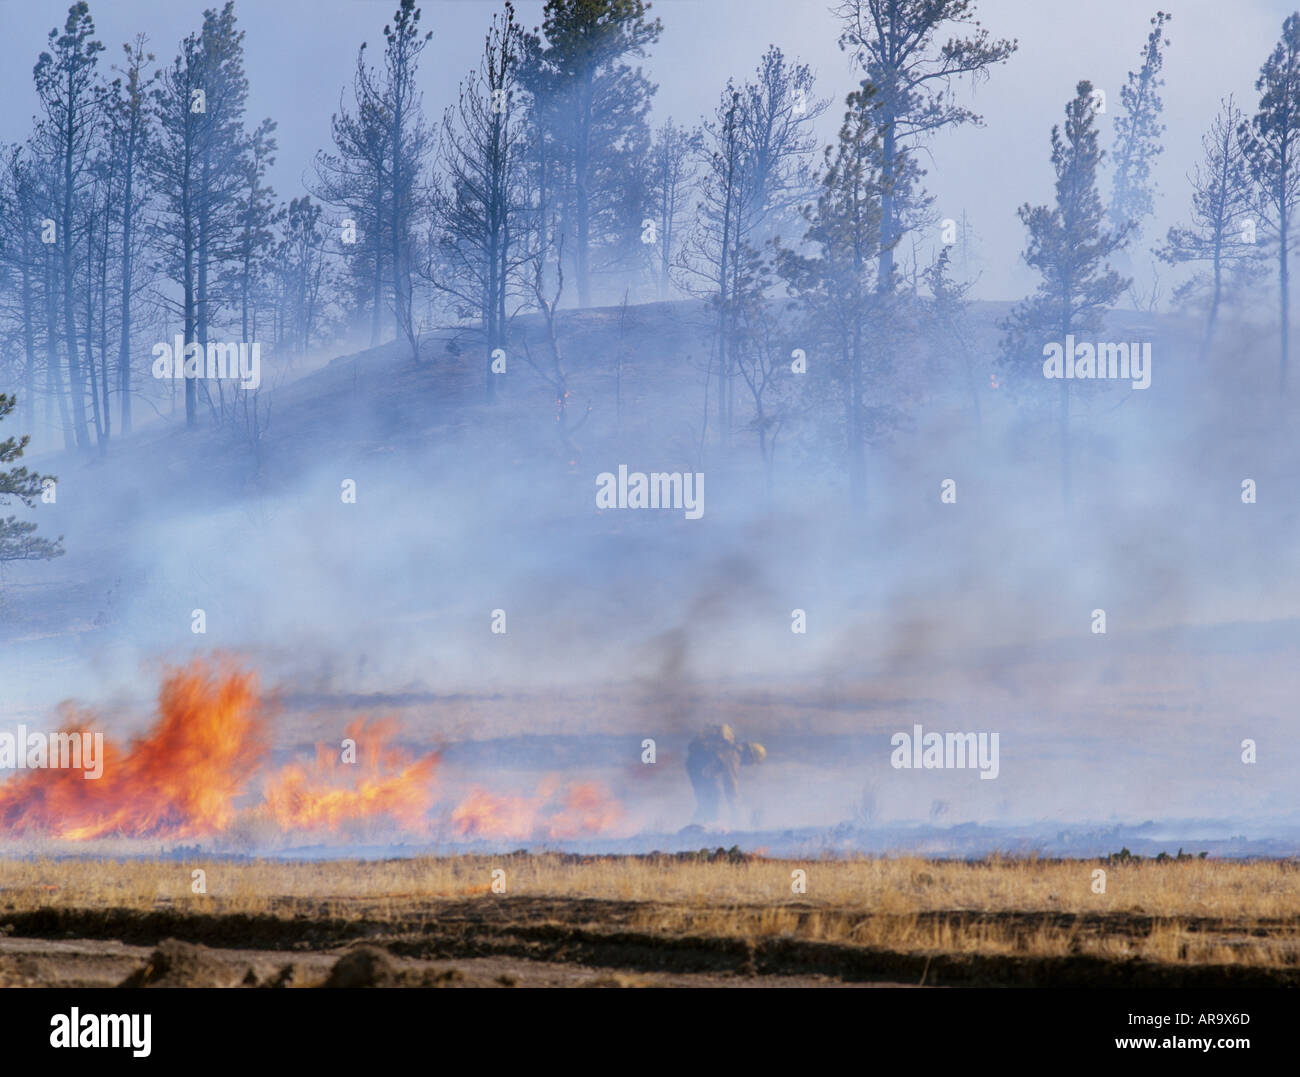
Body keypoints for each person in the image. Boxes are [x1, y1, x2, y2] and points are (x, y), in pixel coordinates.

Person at [685, 724, 766, 825]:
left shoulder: (730, 750)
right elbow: (731, 786)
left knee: (710, 797)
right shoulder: (733, 756)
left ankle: (699, 825)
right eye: (751, 762)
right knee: (710, 799)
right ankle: (698, 826)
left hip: (697, 767)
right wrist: (735, 812)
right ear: (750, 755)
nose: (748, 764)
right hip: (697, 767)